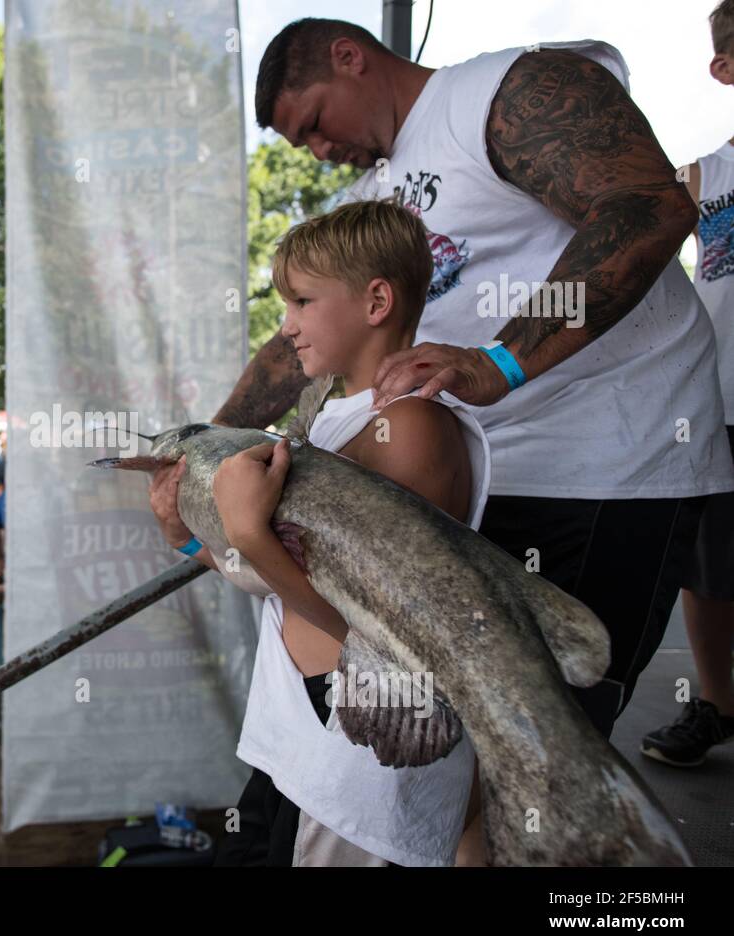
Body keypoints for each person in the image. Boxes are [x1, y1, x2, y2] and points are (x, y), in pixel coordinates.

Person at [233, 18, 733, 739]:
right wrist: (207, 445)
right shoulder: (365, 199)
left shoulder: (502, 91)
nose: (319, 151)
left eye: (313, 123)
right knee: (459, 748)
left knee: (553, 742)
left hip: (606, 472)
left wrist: (501, 359)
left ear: (350, 59)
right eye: (303, 145)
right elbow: (295, 347)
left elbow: (649, 207)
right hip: (478, 485)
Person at [154, 201, 491, 866]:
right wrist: (189, 540)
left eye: (303, 302)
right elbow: (287, 588)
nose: (287, 328)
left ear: (376, 302)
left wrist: (250, 534)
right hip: (296, 738)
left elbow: (388, 633)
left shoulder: (412, 427)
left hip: (355, 759)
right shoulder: (331, 419)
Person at [641, 0, 734, 767]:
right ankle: (716, 703)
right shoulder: (699, 177)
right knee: (710, 565)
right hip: (720, 399)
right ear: (724, 69)